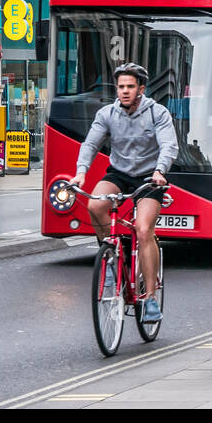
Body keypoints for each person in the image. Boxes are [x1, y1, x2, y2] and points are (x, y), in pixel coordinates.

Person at [70, 63, 177, 324]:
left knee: (143, 230)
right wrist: (81, 172)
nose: (125, 91)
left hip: (150, 176)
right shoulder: (107, 113)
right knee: (95, 205)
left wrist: (161, 170)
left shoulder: (158, 114)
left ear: (141, 89)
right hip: (119, 172)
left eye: (130, 87)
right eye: (121, 87)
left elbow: (168, 146)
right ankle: (112, 254)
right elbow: (91, 144)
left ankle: (150, 299)